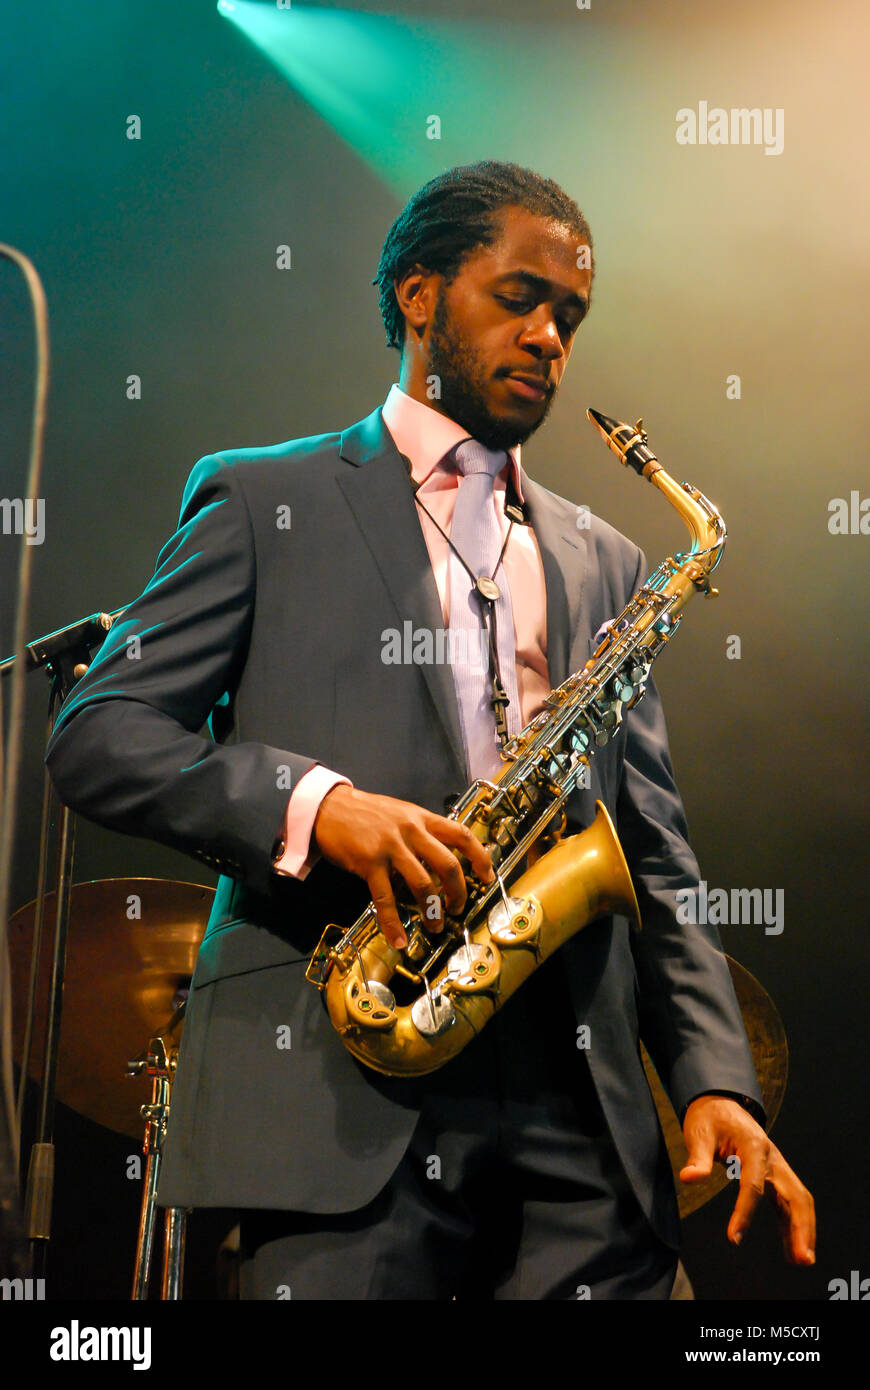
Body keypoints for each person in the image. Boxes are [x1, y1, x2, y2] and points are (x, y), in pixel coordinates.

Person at [45, 160, 814, 1300]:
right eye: (519, 298)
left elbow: (656, 856)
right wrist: (320, 805)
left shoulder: (609, 557)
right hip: (341, 1104)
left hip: (580, 1126)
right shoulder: (262, 500)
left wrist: (715, 1082)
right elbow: (99, 731)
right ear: (418, 294)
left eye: (570, 315)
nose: (550, 335)